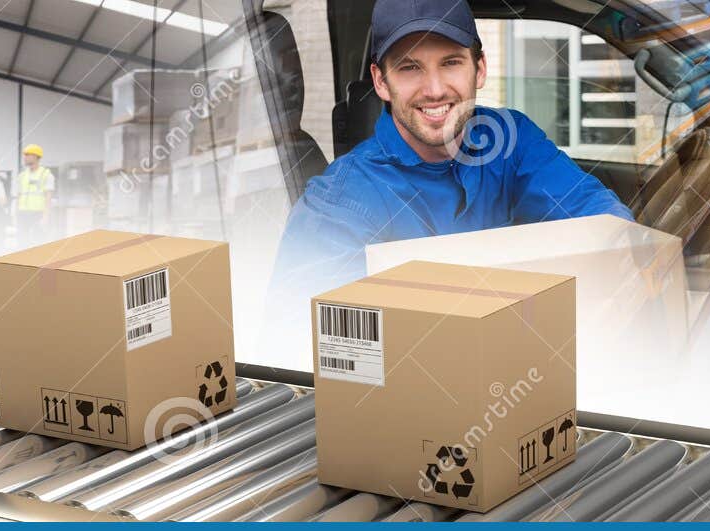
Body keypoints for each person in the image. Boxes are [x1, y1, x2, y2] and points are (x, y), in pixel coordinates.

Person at [263, 0, 632, 353]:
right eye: (410, 68)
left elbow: (600, 217)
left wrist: (620, 267)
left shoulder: (511, 140)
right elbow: (298, 347)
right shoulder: (337, 204)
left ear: (480, 67)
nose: (435, 89)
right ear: (380, 81)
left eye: (451, 62)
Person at [13, 144, 55, 247]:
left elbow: (48, 198)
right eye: (25, 155)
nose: (25, 158)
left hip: (38, 214)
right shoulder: (22, 176)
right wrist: (15, 214)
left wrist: (45, 217)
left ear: (36, 157)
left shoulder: (46, 174)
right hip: (22, 214)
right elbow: (18, 196)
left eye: (28, 155)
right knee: (22, 244)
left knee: (38, 244)